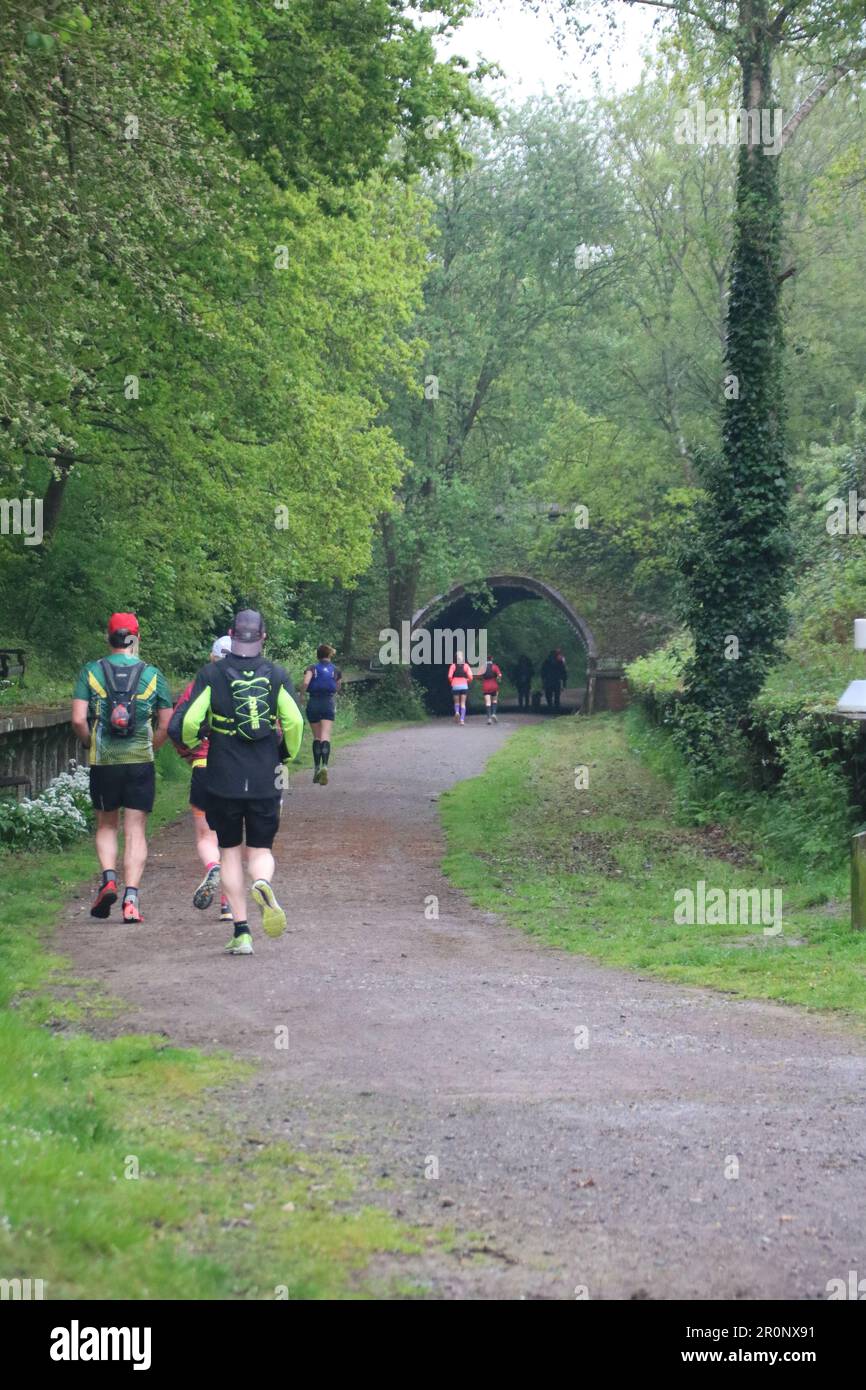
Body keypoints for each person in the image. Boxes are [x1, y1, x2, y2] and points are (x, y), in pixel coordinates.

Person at [178, 610, 303, 956]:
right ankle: (262, 882)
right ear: (264, 636)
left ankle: (242, 932)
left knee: (229, 851)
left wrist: (192, 741)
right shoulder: (277, 675)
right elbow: (293, 721)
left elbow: (189, 720)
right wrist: (286, 753)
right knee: (260, 850)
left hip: (223, 778)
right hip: (265, 775)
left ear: (232, 635)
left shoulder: (211, 673)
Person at [71, 612, 173, 923]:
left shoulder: (91, 671)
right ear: (135, 638)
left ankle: (109, 879)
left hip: (104, 762)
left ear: (109, 636)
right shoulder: (152, 674)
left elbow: (77, 719)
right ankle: (131, 899)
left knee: (106, 825)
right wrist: (151, 749)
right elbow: (167, 723)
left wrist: (89, 742)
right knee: (136, 829)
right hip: (140, 761)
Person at [168, 634, 233, 923]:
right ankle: (228, 903)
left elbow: (176, 726)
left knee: (207, 836)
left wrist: (190, 751)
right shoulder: (254, 684)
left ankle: (212, 866)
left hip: (204, 766)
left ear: (212, 657)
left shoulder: (199, 684)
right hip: (239, 770)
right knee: (233, 840)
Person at [300, 643, 342, 785]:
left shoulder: (312, 668)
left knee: (316, 736)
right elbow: (337, 686)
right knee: (325, 735)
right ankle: (325, 766)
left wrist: (301, 696)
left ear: (318, 655)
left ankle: (317, 768)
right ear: (330, 655)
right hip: (328, 702)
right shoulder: (336, 670)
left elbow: (306, 683)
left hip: (314, 702)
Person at [447, 650, 473, 725]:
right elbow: (471, 677)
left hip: (455, 685)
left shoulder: (453, 666)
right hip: (464, 685)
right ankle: (462, 720)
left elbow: (449, 676)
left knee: (456, 702)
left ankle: (457, 712)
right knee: (463, 703)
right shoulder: (466, 666)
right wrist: (466, 681)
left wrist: (452, 681)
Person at [541, 647, 568, 712]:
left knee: (550, 695)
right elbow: (563, 672)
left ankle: (552, 706)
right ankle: (555, 707)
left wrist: (543, 680)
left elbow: (543, 672)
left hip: (550, 680)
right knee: (555, 695)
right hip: (554, 680)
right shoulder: (558, 662)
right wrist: (564, 682)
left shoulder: (547, 662)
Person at [478, 656, 503, 724]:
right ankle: (494, 714)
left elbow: (478, 676)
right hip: (494, 685)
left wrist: (482, 679)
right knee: (494, 700)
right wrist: (498, 679)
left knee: (488, 702)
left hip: (486, 686)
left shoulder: (483, 667)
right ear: (492, 659)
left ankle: (489, 718)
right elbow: (499, 675)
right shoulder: (495, 666)